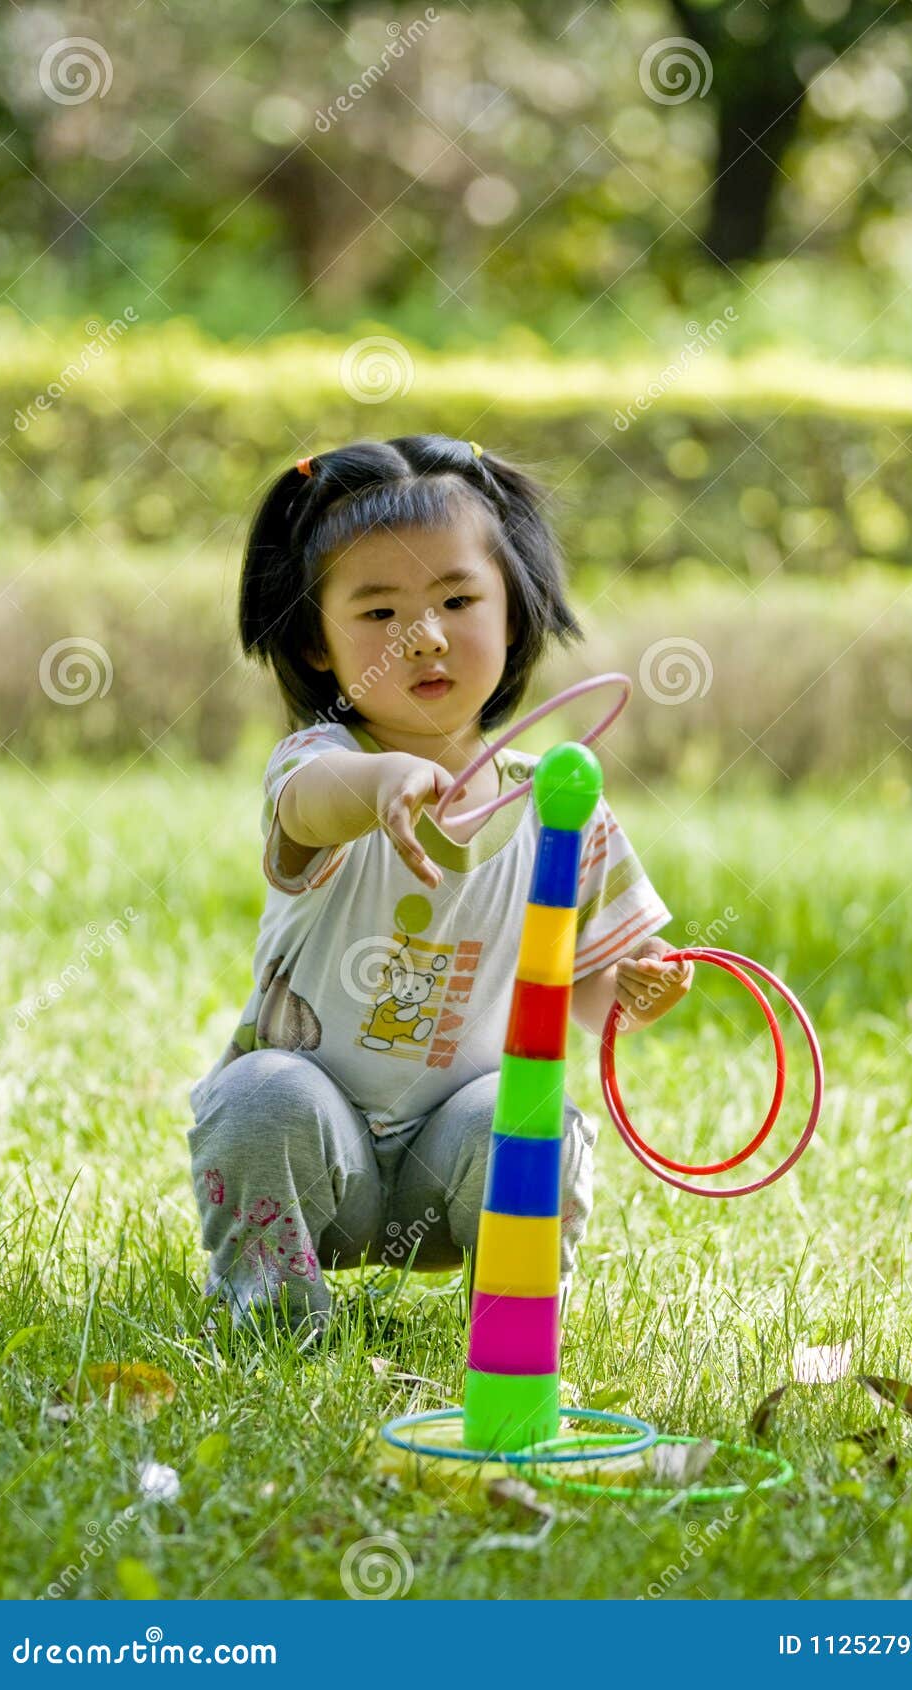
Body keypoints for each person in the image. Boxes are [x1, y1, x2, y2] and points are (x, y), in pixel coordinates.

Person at [187, 434, 692, 1339]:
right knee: (262, 1094)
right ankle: (273, 1318)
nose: (423, 636)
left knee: (530, 1115)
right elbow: (307, 806)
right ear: (314, 643)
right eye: (378, 613)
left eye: (458, 599)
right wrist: (381, 787)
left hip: (454, 1160)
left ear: (512, 611)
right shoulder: (323, 764)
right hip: (318, 1153)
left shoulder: (559, 805)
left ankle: (512, 1329)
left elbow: (591, 997)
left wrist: (640, 990)